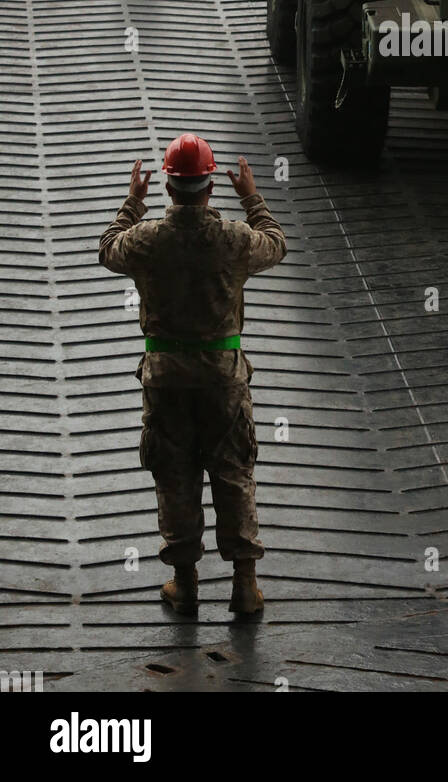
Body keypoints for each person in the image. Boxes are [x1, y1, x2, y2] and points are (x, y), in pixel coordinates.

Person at [98, 134, 287, 616]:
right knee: (233, 474)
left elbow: (107, 249)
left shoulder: (146, 240)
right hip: (224, 379)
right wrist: (250, 195)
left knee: (175, 477)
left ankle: (184, 584)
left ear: (167, 185)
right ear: (209, 187)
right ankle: (245, 586)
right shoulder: (233, 239)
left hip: (165, 379)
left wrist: (131, 202)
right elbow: (277, 244)